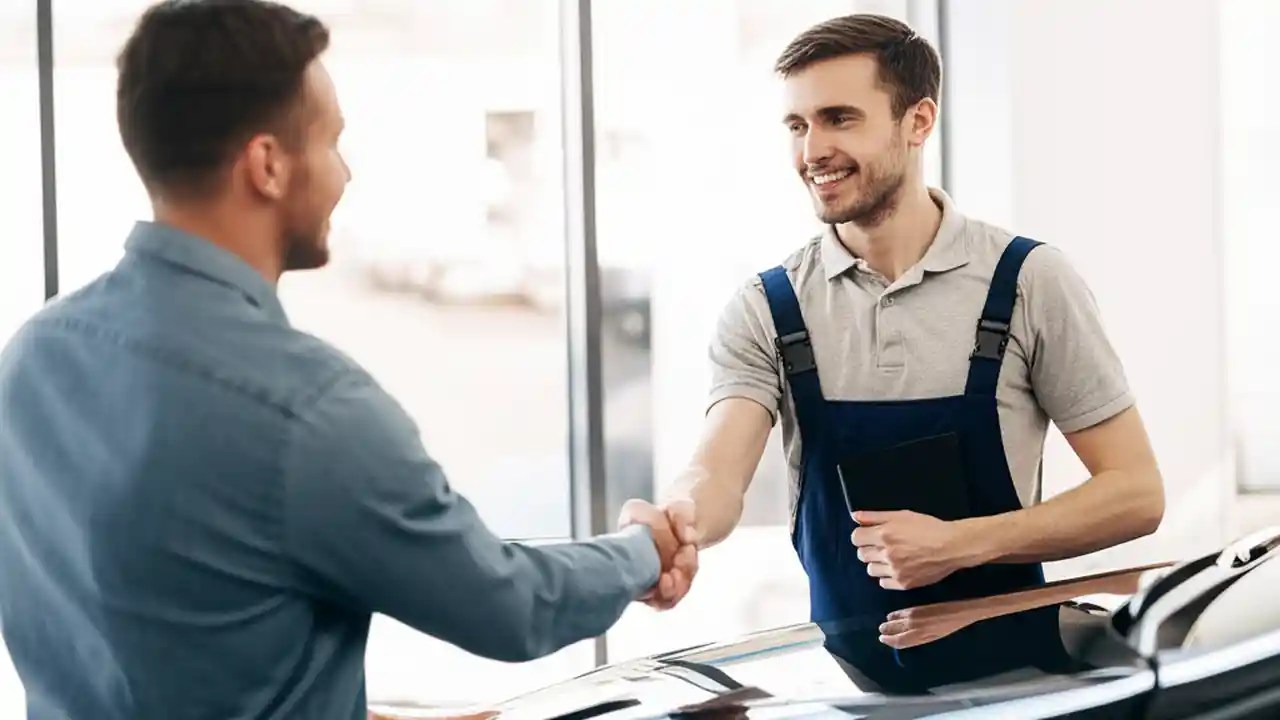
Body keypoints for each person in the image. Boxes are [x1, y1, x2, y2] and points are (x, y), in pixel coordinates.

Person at [0, 1, 694, 718]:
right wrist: (643, 550)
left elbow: (182, 645)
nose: (346, 174)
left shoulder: (30, 360)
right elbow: (508, 604)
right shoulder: (303, 409)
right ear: (267, 165)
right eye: (333, 143)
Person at [623, 13, 1165, 686]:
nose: (811, 150)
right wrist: (678, 519)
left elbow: (1136, 493)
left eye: (839, 118)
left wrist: (960, 545)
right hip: (856, 689)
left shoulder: (1029, 282)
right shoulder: (768, 308)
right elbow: (718, 473)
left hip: (1022, 689)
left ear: (918, 122)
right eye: (797, 126)